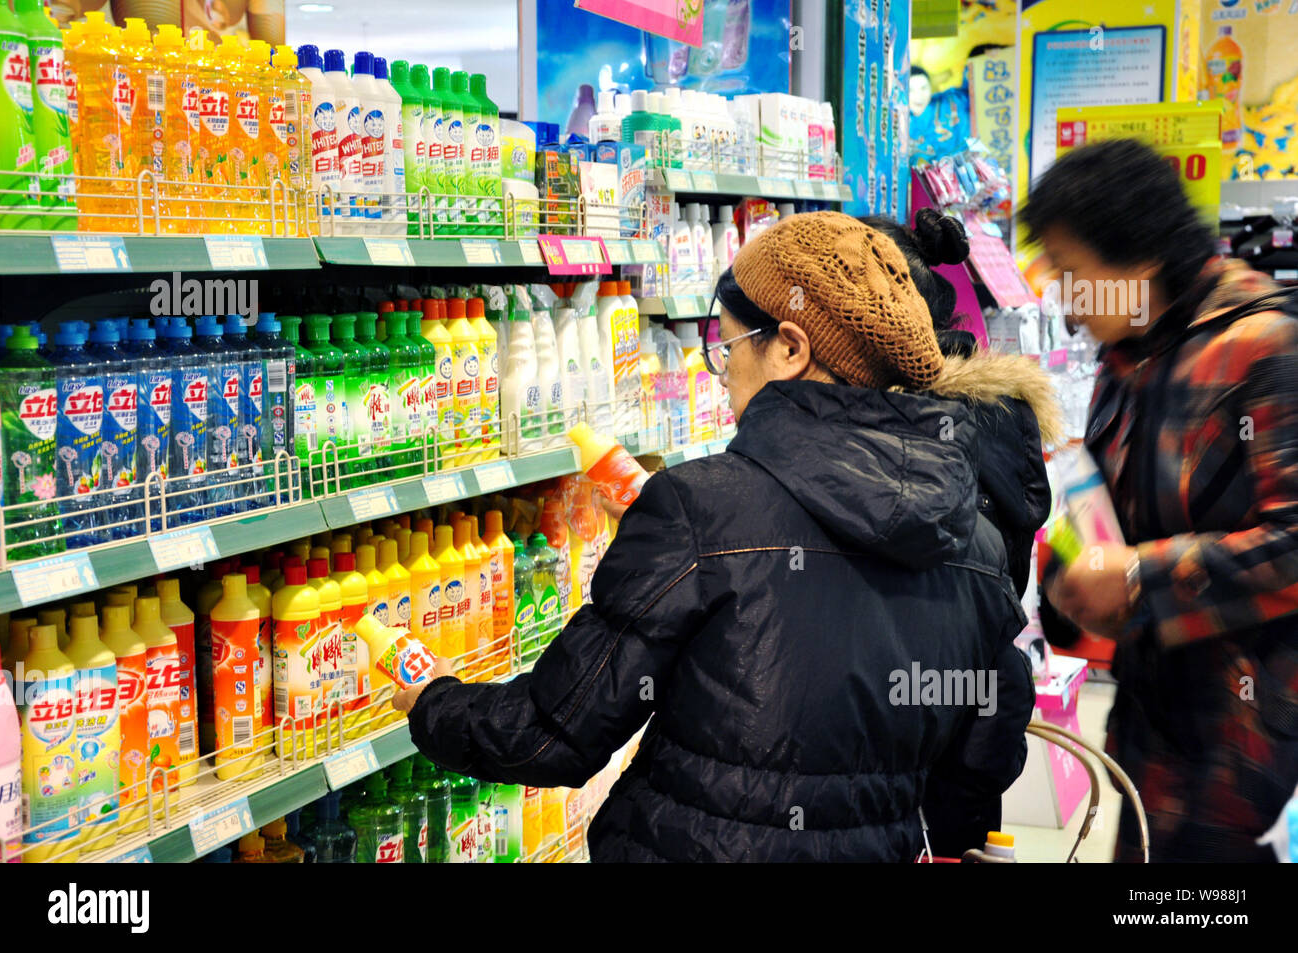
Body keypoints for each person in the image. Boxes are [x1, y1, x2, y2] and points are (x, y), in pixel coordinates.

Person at [394, 212, 1034, 862]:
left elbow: (556, 732)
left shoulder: (701, 508)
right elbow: (988, 746)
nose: (719, 370)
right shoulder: (976, 543)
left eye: (728, 345)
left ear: (789, 347)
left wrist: (435, 703)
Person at [1023, 138, 1298, 862]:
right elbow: (1109, 515)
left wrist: (1143, 575)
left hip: (1251, 739)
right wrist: (1067, 587)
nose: (1063, 298)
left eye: (1071, 272)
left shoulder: (1263, 348)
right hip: (1151, 727)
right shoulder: (1126, 358)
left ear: (1139, 263)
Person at [863, 208, 1061, 857]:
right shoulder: (1004, 411)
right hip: (977, 727)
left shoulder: (883, 421)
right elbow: (1009, 575)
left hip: (882, 741)